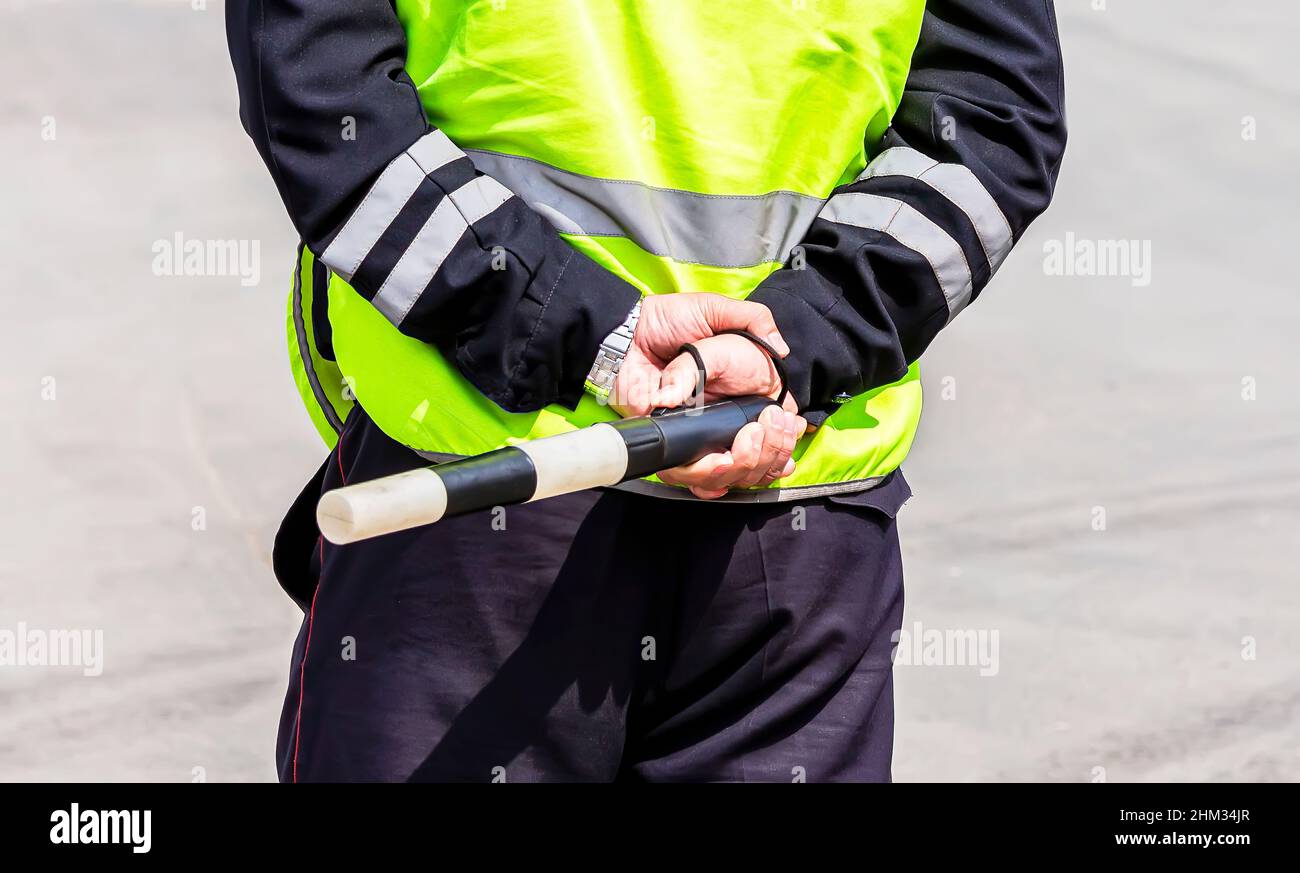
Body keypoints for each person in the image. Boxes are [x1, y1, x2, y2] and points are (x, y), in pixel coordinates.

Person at [227, 0, 1066, 782]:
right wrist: (800, 339)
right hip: (792, 515)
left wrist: (575, 324)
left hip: (478, 493)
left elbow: (317, 88)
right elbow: (991, 118)